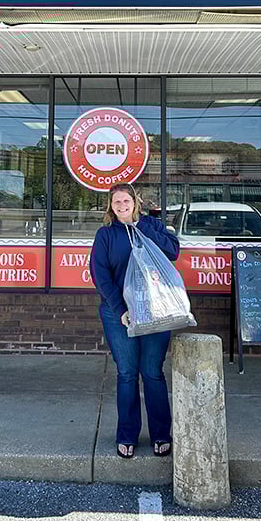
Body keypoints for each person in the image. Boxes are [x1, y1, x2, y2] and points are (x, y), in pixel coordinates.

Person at [90, 183, 180, 459]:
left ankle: (161, 434)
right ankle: (127, 435)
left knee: (152, 372)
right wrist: (120, 309)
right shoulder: (105, 235)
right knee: (127, 374)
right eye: (116, 202)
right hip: (119, 314)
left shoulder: (152, 224)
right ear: (111, 206)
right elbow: (100, 275)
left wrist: (142, 226)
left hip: (154, 310)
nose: (121, 206)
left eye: (125, 201)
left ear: (135, 202)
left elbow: (173, 252)